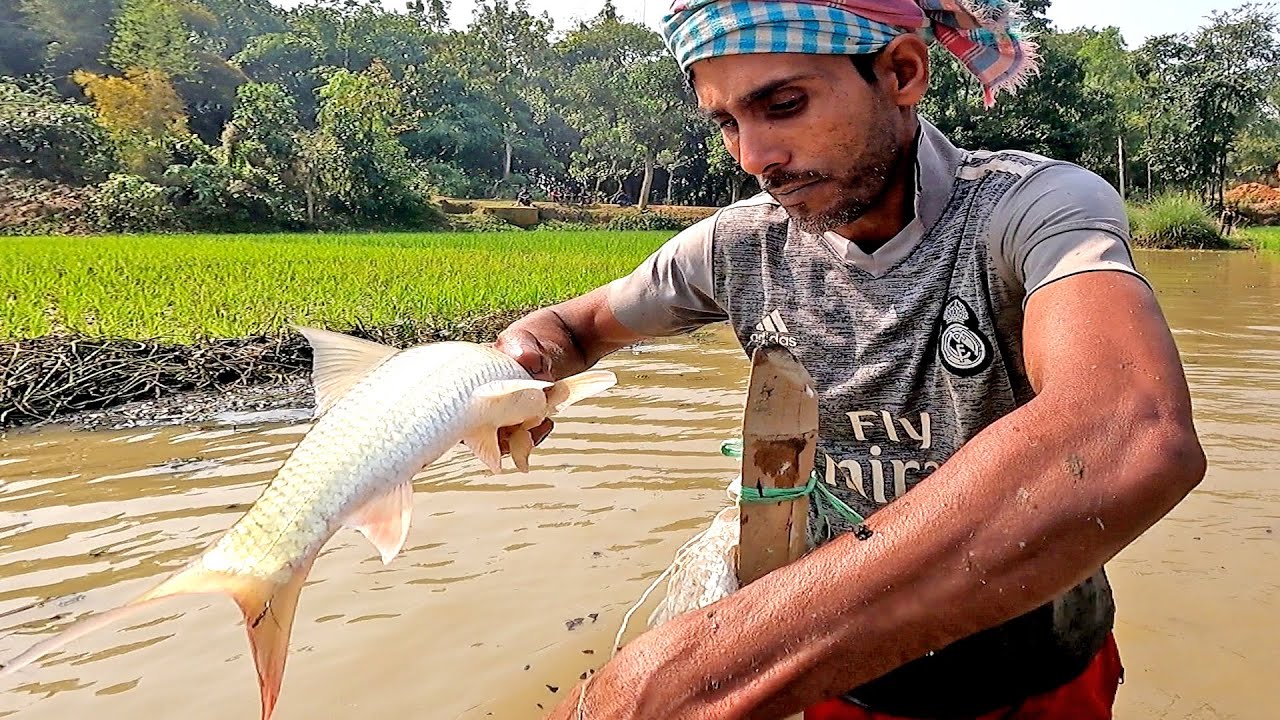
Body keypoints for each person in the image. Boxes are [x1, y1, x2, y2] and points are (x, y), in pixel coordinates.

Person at [492, 1, 1207, 718]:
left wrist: (702, 668)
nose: (754, 157)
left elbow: (1125, 432)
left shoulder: (1030, 211)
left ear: (902, 72)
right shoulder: (739, 247)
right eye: (728, 124)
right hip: (840, 683)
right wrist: (513, 373)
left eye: (784, 103)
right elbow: (573, 327)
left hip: (1039, 675)